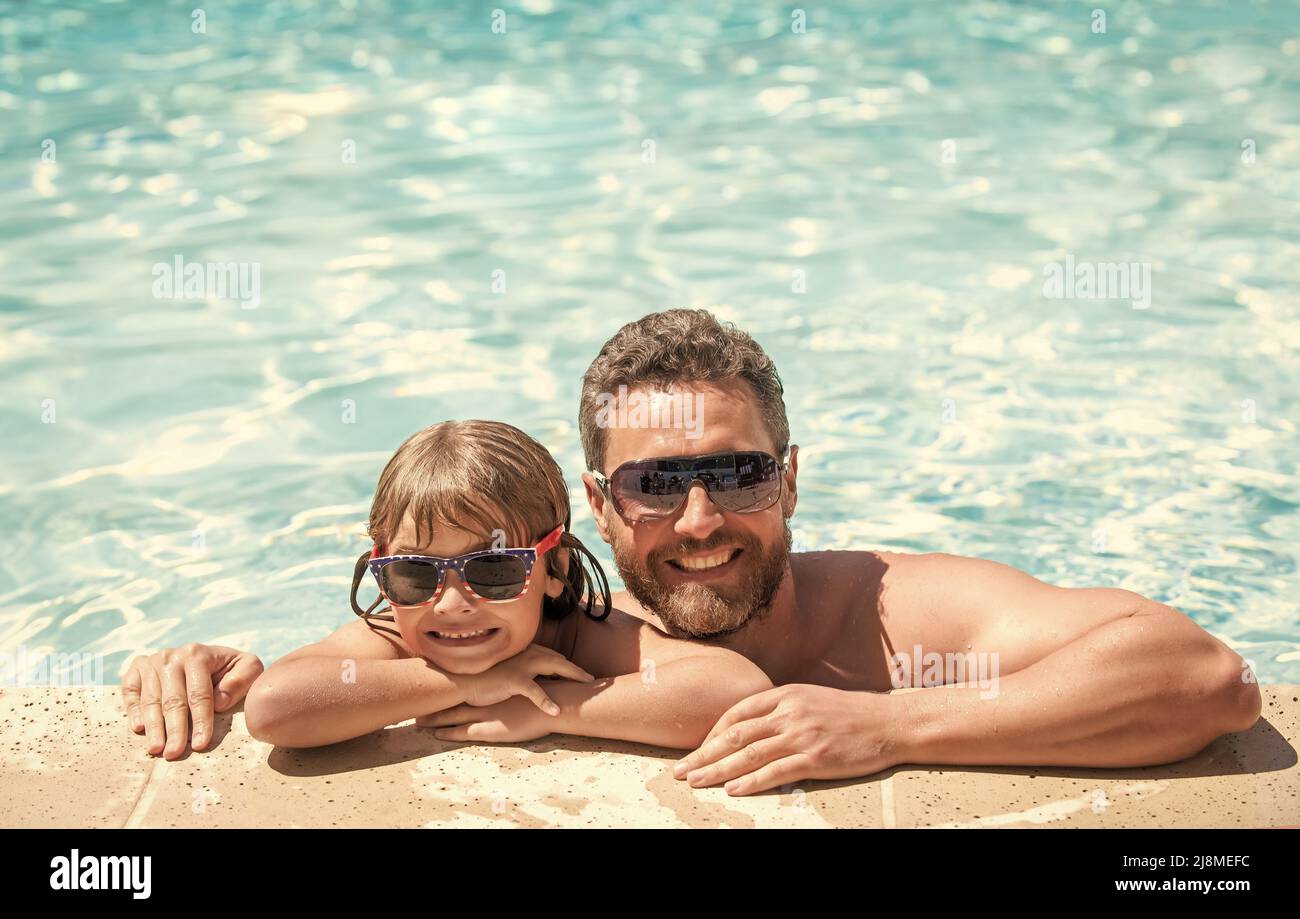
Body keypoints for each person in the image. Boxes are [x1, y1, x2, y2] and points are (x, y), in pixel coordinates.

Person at [125, 309, 1262, 796]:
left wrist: (888, 722)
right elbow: (357, 659)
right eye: (658, 484)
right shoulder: (545, 613)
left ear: (793, 476)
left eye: (739, 473)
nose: (703, 520)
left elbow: (1204, 679)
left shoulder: (895, 614)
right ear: (596, 510)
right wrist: (207, 667)